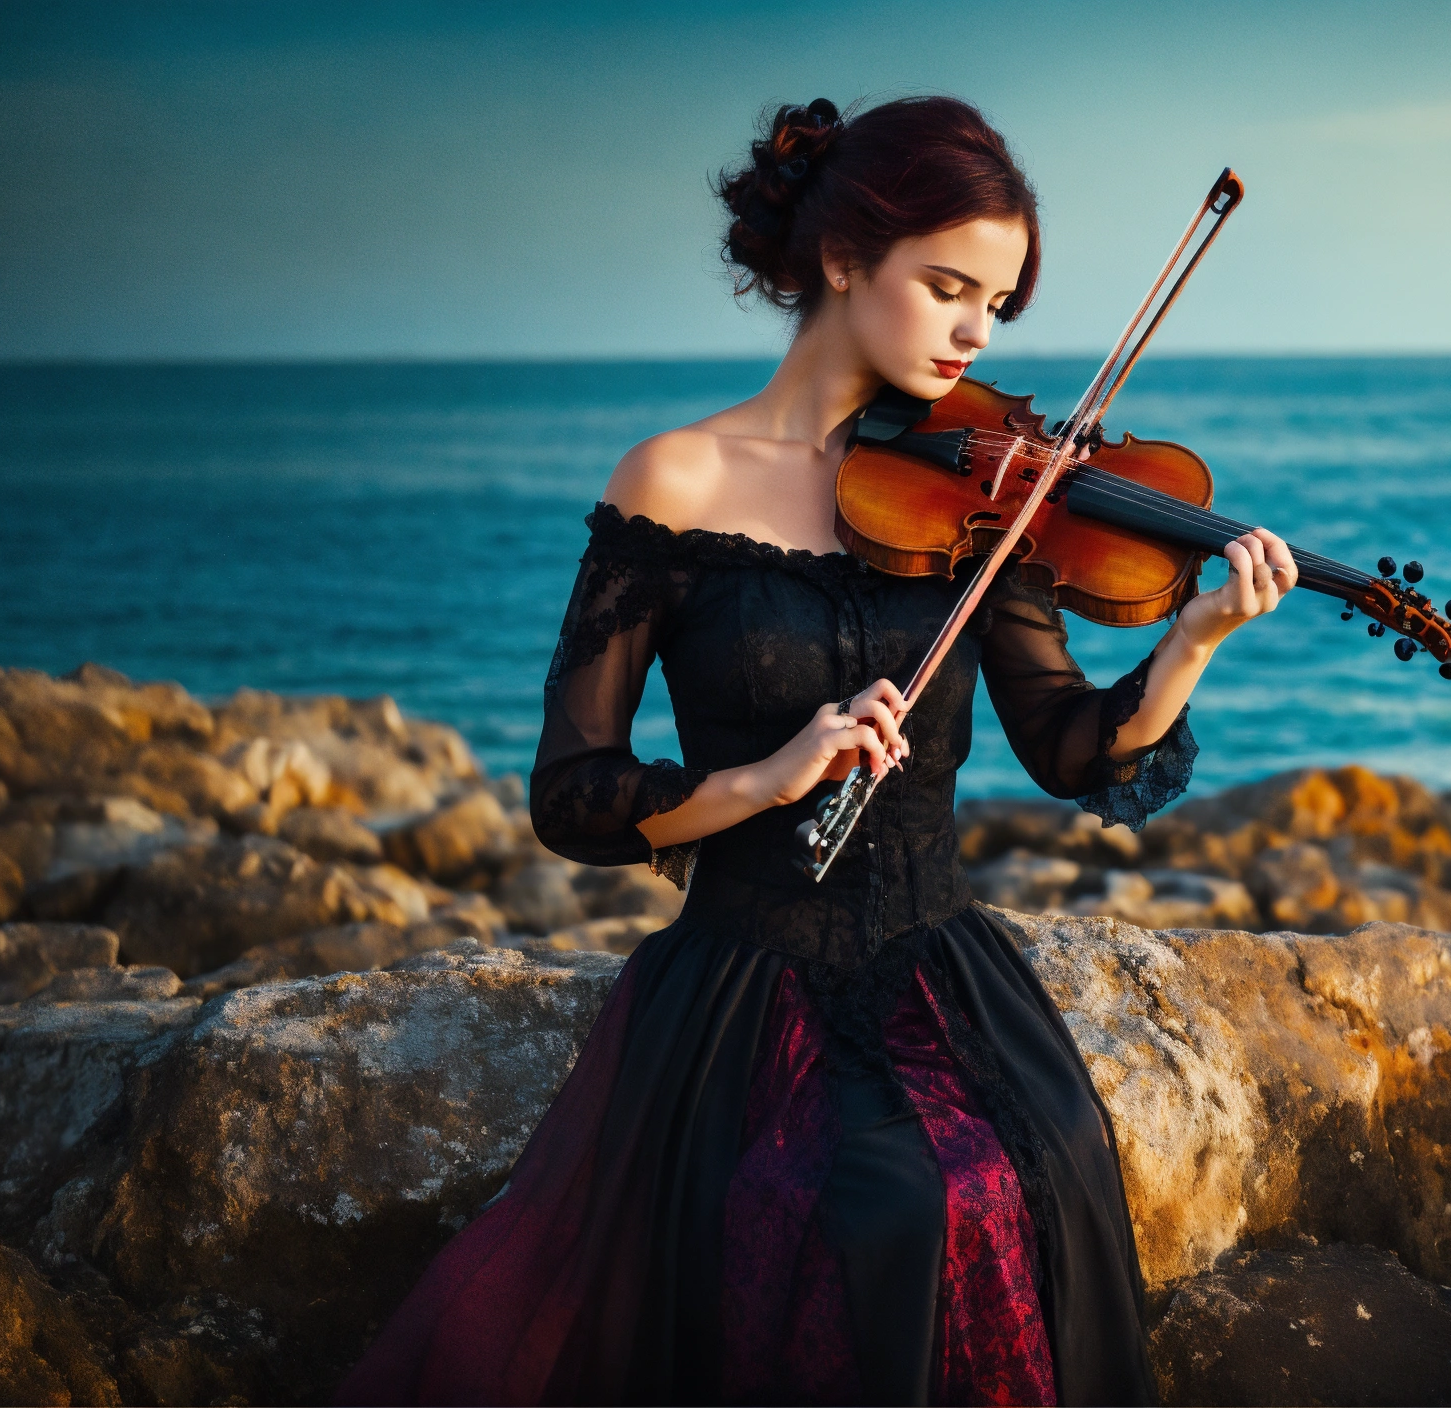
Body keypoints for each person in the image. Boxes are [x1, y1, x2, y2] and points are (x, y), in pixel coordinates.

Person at [338, 95, 1296, 1406]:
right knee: (865, 1201)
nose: (974, 331)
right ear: (844, 260)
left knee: (1035, 1162)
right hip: (745, 984)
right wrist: (757, 780)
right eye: (947, 286)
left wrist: (1191, 641)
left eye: (997, 305)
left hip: (940, 972)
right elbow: (572, 795)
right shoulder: (673, 482)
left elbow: (1072, 750)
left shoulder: (987, 496)